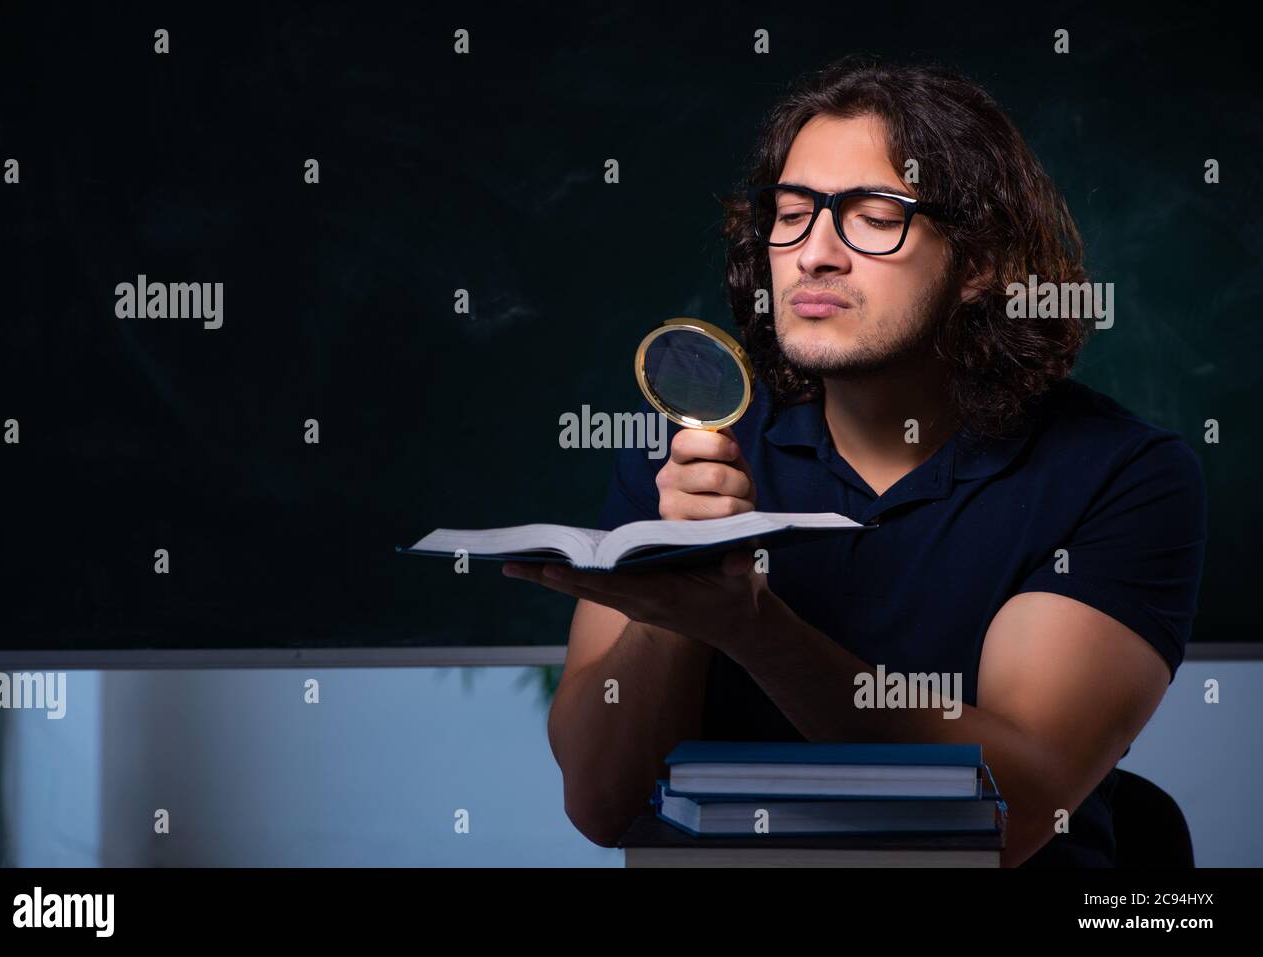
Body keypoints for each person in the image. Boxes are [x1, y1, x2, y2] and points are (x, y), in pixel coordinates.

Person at [504, 55, 1207, 867]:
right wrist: (676, 599)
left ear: (977, 262)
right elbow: (600, 802)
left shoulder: (1118, 475)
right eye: (792, 211)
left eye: (873, 216)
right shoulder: (688, 452)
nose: (815, 253)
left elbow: (1010, 808)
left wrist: (752, 625)